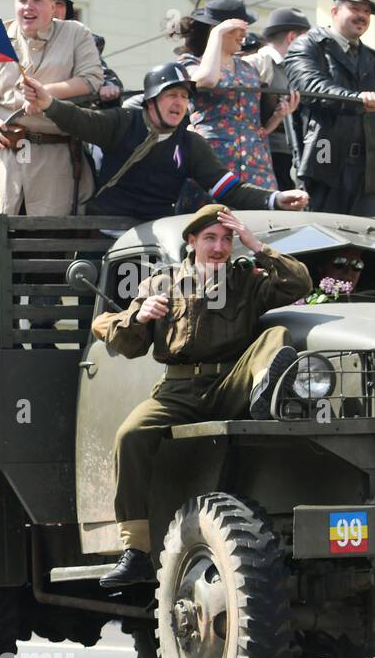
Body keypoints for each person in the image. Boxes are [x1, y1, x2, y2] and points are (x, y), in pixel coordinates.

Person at [91, 205, 311, 586]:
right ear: (192, 242)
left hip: (231, 383)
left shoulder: (245, 281)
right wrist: (141, 316)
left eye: (227, 239)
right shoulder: (161, 285)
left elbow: (299, 285)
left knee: (275, 337)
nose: (220, 247)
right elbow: (123, 343)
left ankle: (263, 392)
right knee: (130, 435)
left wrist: (255, 244)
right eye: (210, 238)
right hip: (178, 390)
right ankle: (135, 550)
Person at [20, 63, 309, 223]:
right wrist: (48, 102)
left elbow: (228, 189)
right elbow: (82, 120)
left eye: (184, 96)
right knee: (91, 320)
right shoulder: (123, 121)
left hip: (154, 236)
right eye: (172, 94)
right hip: (104, 233)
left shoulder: (190, 145)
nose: (180, 103)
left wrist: (275, 198)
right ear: (151, 101)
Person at [0, 0, 103, 218]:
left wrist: (45, 93)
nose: (29, 7)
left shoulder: (75, 33)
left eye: (37, 0)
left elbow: (91, 80)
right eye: (22, 0)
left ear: (54, 6)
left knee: (52, 242)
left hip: (56, 157)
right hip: (3, 157)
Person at [176, 0, 281, 207]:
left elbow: (251, 122)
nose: (244, 34)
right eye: (237, 28)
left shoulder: (248, 69)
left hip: (255, 162)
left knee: (261, 222)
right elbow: (206, 80)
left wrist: (276, 118)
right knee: (210, 222)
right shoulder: (190, 63)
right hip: (213, 161)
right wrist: (217, 33)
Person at [284, 0, 375, 214]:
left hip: (367, 169)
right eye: (354, 8)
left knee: (364, 242)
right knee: (323, 236)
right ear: (334, 12)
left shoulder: (370, 57)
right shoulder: (308, 45)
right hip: (325, 157)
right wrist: (357, 100)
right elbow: (310, 88)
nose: (362, 16)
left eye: (366, 11)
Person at [245, 8, 309, 190]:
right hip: (264, 152)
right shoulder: (257, 63)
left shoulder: (291, 67)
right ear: (292, 38)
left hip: (285, 150)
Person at [52, 0, 122, 107]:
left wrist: (107, 84)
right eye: (48, 3)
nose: (54, 10)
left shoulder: (81, 40)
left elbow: (101, 73)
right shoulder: (16, 40)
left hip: (65, 114)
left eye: (59, 4)